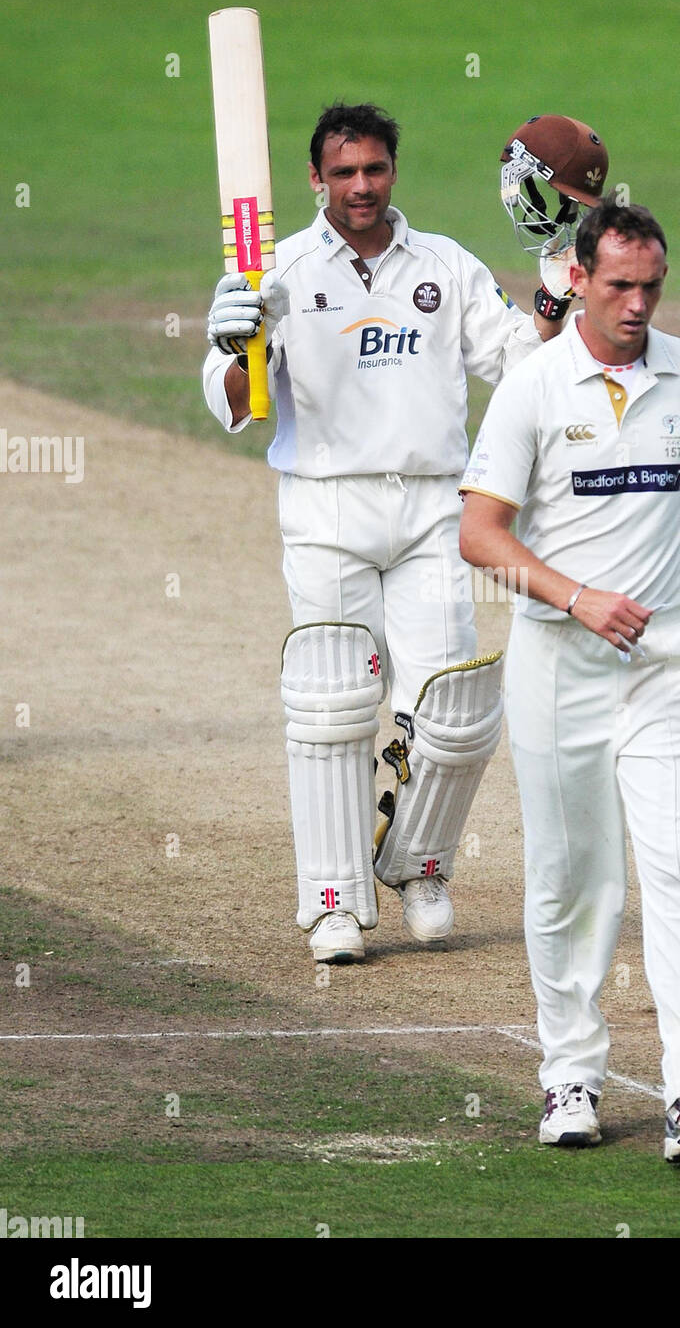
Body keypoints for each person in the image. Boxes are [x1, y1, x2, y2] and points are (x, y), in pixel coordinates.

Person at [202, 102, 577, 965]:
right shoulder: (277, 270)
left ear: (392, 171)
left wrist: (553, 307)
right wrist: (236, 344)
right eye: (343, 173)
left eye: (373, 169)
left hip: (434, 503)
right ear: (315, 179)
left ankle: (418, 863)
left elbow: (521, 363)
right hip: (325, 502)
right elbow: (233, 405)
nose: (360, 186)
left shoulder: (442, 263)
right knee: (333, 703)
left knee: (449, 706)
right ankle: (333, 899)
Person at [457, 195, 680, 1164]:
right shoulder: (534, 387)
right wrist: (574, 596)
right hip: (560, 665)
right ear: (576, 278)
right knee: (573, 879)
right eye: (619, 285)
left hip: (665, 664)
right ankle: (569, 1072)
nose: (636, 305)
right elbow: (479, 534)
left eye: (652, 287)